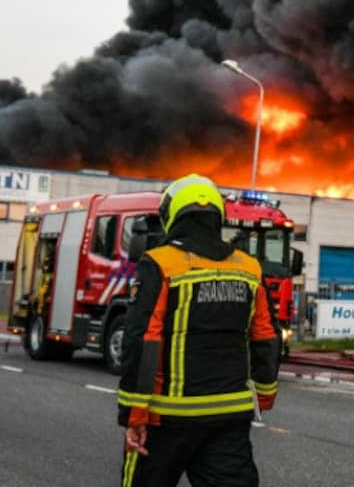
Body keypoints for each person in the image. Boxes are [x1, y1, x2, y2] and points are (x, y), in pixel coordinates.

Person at [117, 174, 281, 487]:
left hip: (167, 419)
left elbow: (143, 341)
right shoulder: (249, 268)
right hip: (230, 417)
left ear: (172, 215)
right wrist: (264, 395)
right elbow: (266, 337)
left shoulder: (161, 263)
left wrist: (134, 416)